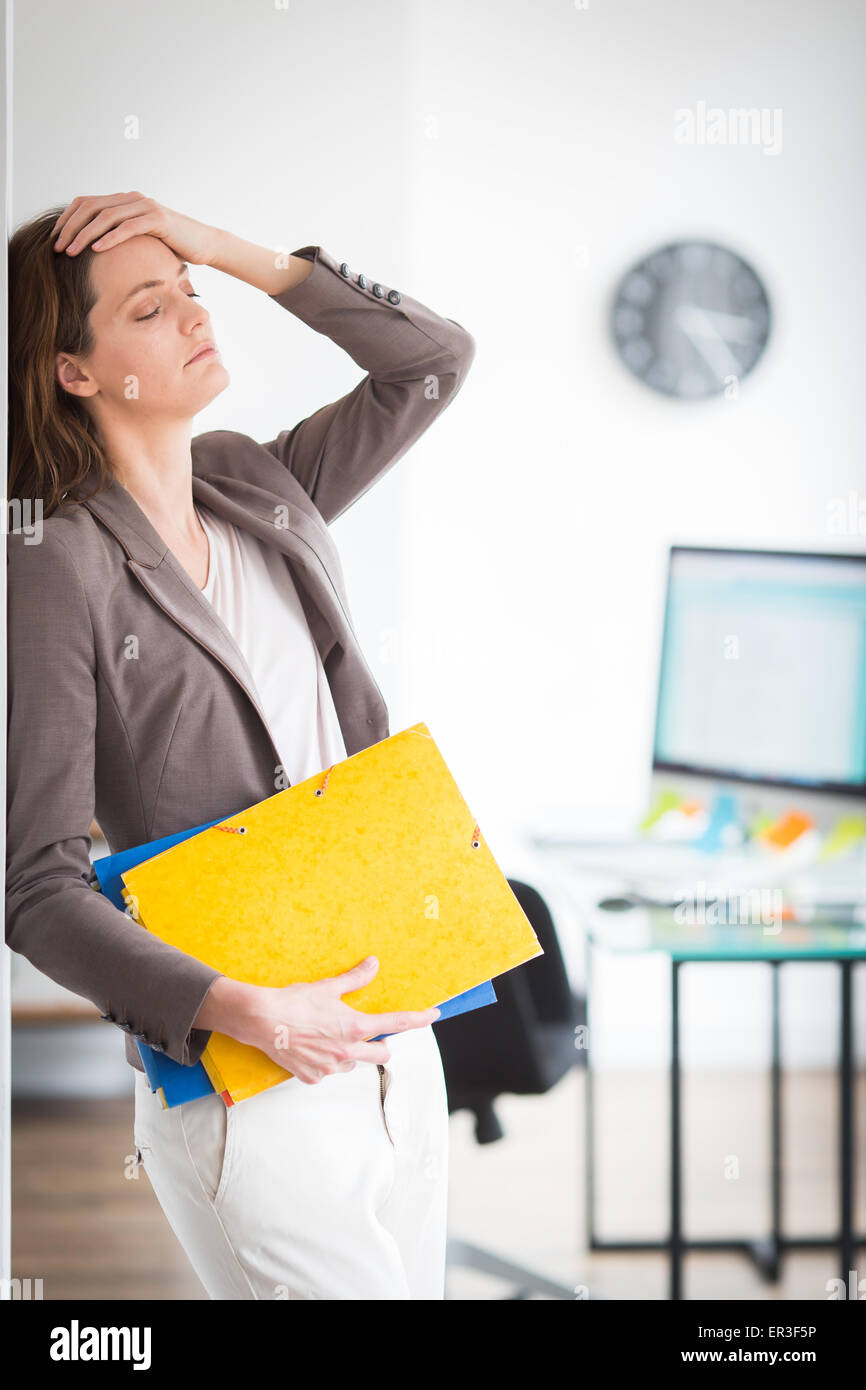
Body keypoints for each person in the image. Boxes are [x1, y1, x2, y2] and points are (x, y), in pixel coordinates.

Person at [5, 191, 476, 1299]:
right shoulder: (53, 566)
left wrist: (222, 246)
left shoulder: (254, 483)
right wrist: (241, 1009)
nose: (192, 316)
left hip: (397, 1027)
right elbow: (32, 890)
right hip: (249, 1069)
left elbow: (432, 362)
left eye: (192, 293)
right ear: (76, 369)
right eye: (148, 308)